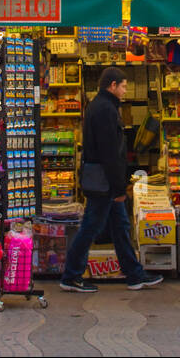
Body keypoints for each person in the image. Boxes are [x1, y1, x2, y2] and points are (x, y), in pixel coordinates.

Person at [60, 67, 163, 293]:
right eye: (124, 86)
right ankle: (71, 275)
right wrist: (118, 186)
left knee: (120, 227)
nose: (125, 90)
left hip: (104, 179)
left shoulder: (100, 106)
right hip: (104, 182)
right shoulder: (105, 109)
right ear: (112, 85)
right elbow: (109, 152)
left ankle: (134, 275)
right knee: (90, 228)